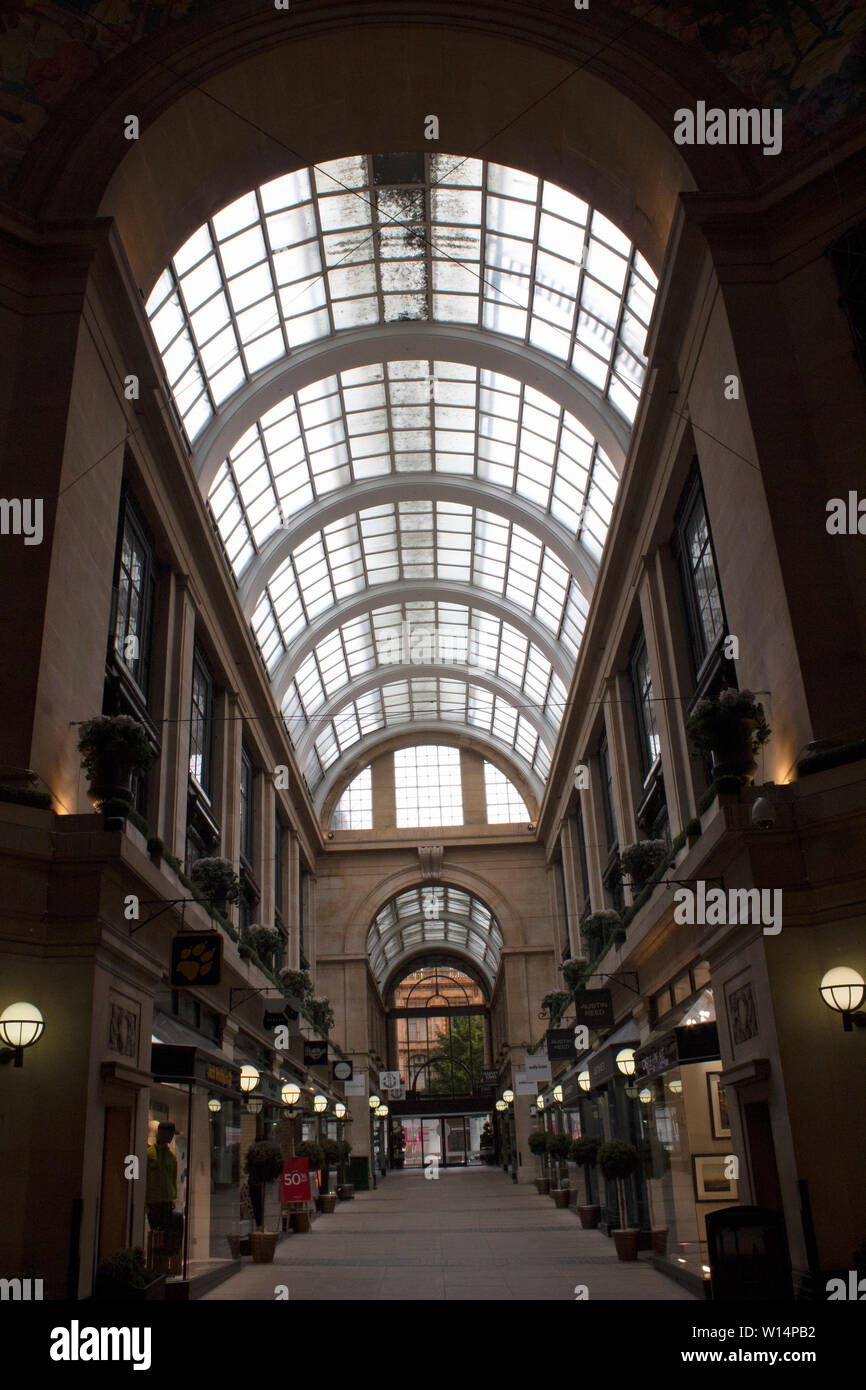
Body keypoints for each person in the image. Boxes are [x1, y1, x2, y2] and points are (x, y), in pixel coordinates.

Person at [146, 1121, 177, 1231]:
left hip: (166, 1202)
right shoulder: (149, 1154)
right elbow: (142, 1178)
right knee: (155, 1234)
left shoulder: (171, 1155)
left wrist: (172, 1198)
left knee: (166, 1233)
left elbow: (172, 1178)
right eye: (171, 1134)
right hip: (153, 1203)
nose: (172, 1137)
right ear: (163, 1133)